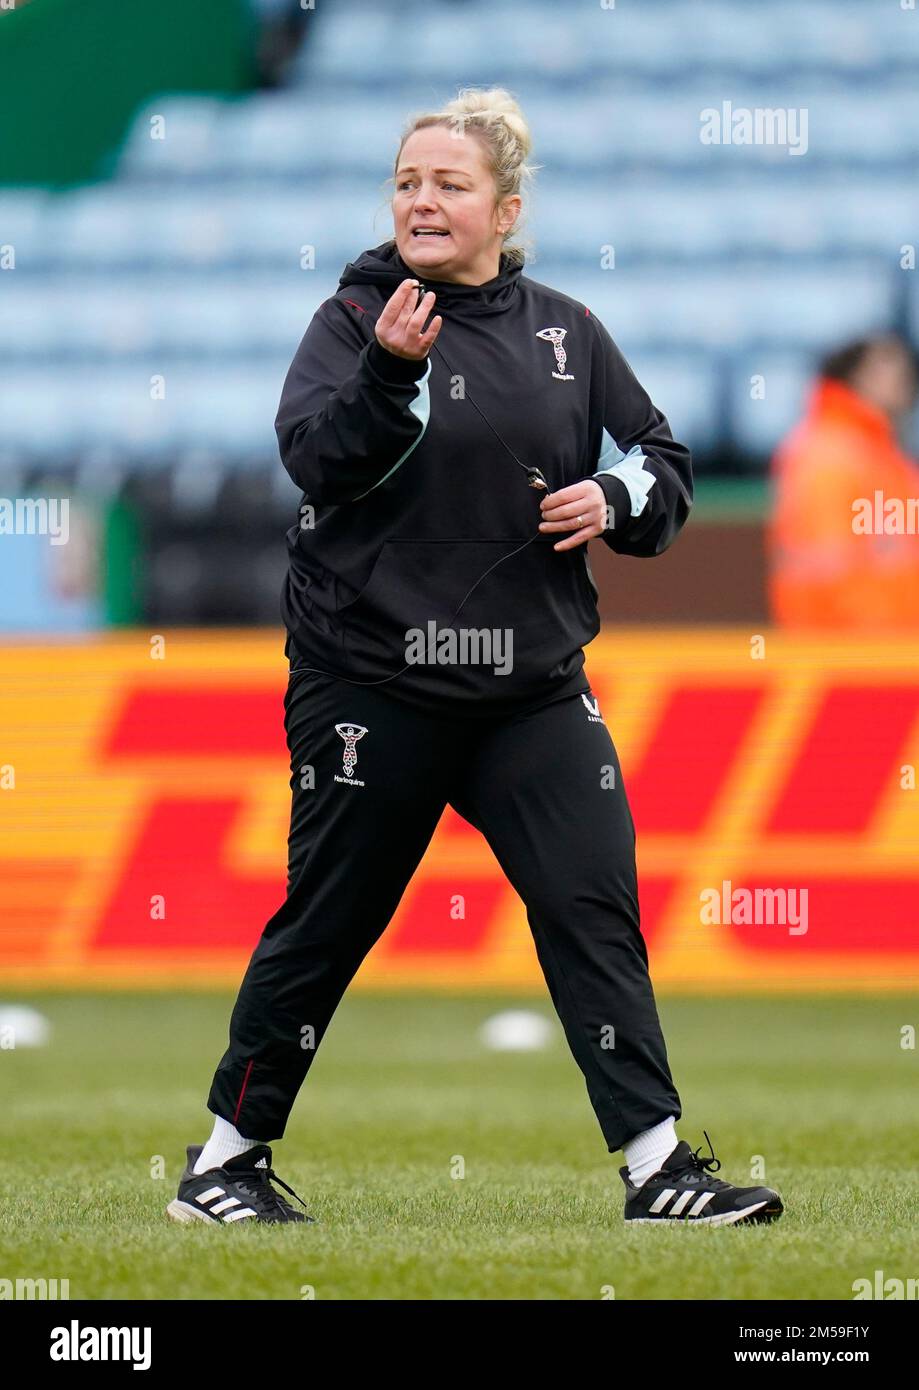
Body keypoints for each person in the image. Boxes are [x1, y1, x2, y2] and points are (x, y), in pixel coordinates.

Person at [167, 87, 783, 1228]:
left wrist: (612, 492)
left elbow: (663, 460)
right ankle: (223, 1163)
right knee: (330, 919)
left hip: (531, 690)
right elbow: (317, 461)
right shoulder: (355, 321)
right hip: (372, 679)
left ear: (504, 209)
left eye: (448, 184)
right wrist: (389, 371)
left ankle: (658, 1171)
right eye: (406, 182)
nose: (421, 200)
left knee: (591, 905)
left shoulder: (566, 330)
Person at [767, 334, 919, 629]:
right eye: (886, 367)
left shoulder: (880, 454)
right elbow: (830, 569)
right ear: (855, 377)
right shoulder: (830, 453)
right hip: (848, 653)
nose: (904, 378)